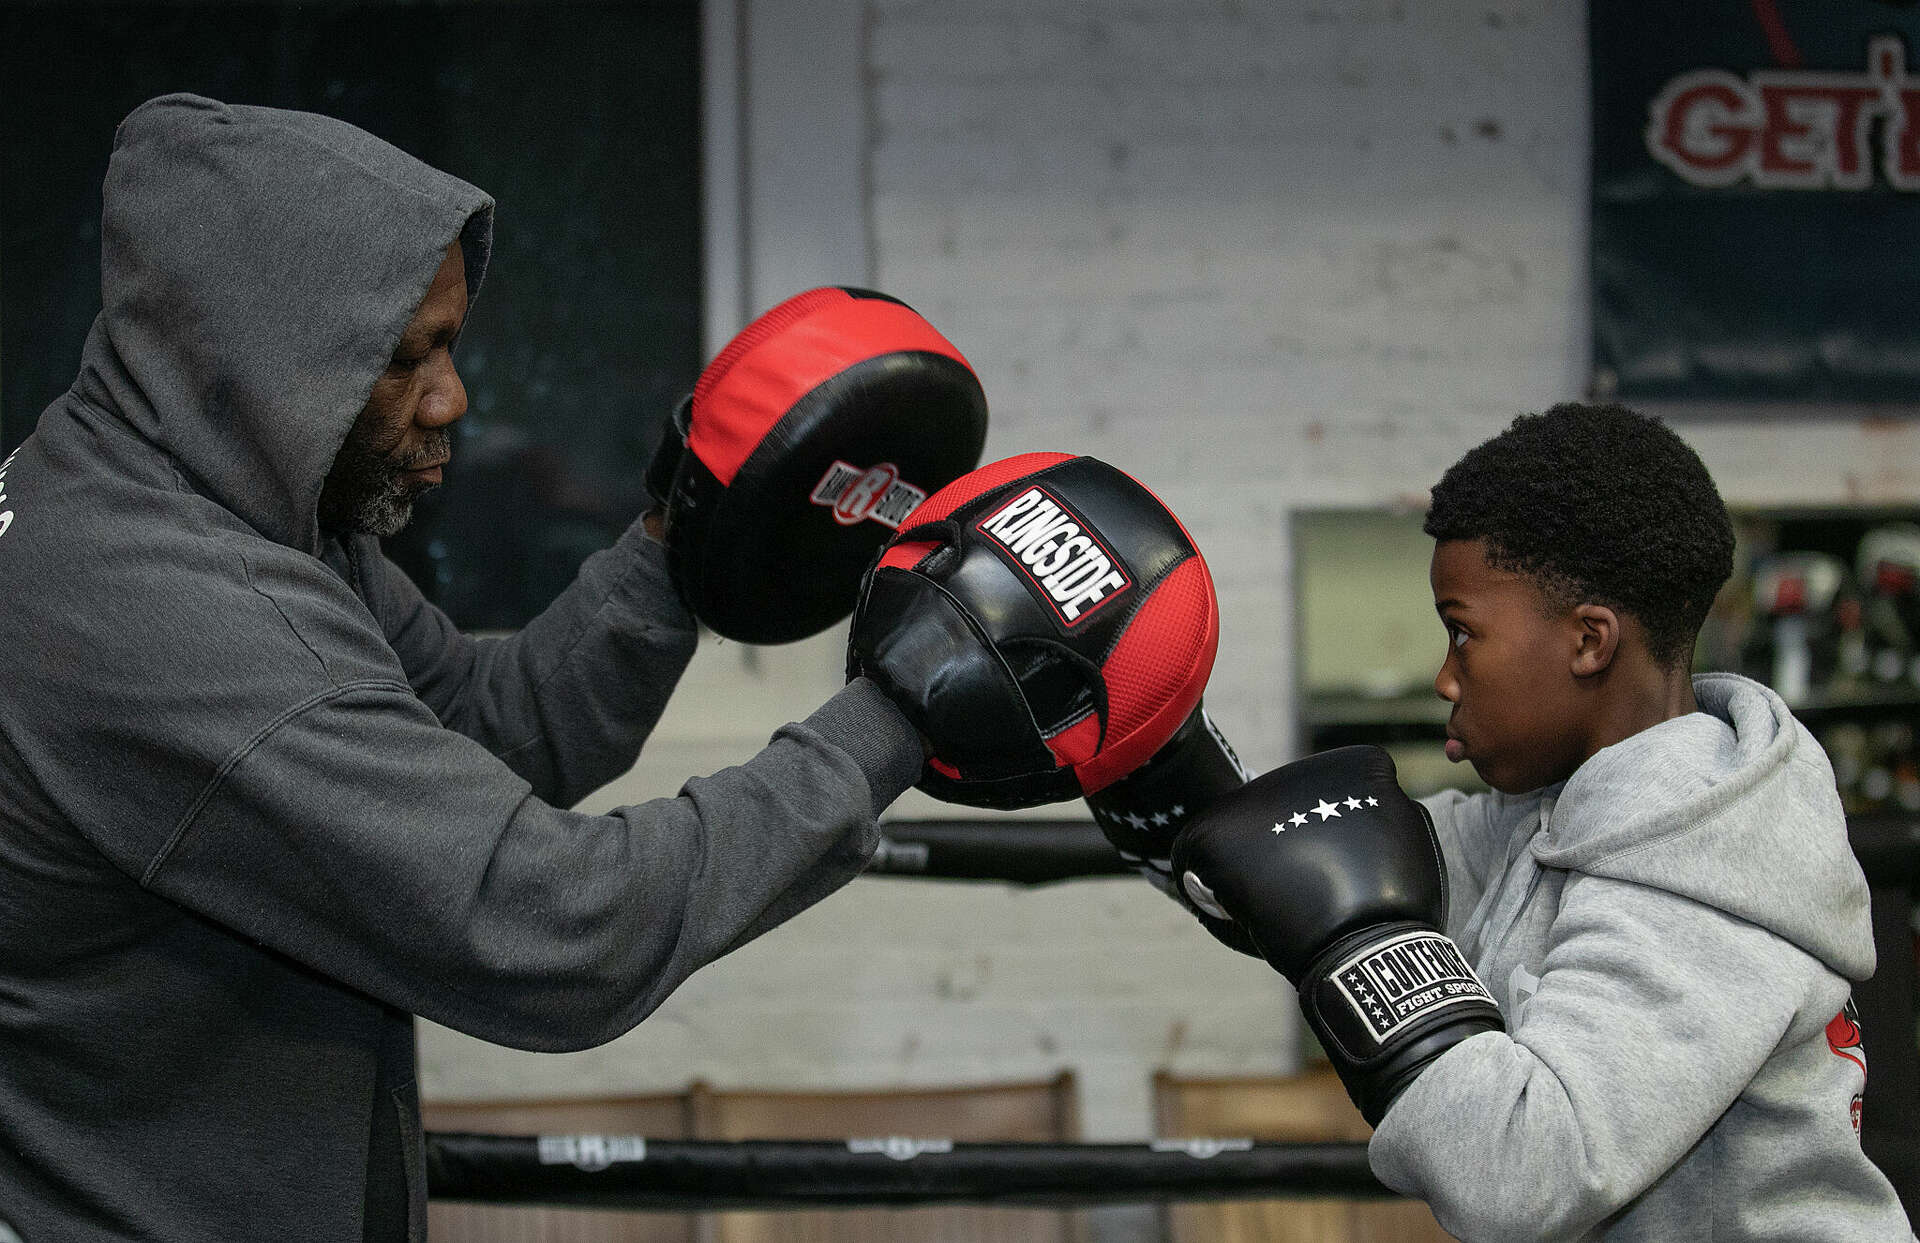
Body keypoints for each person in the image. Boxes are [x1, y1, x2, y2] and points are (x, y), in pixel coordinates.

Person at [0, 94, 927, 1242]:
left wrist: (673, 543)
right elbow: (552, 925)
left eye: (450, 341)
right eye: (403, 358)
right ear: (254, 358)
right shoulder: (174, 622)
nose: (454, 398)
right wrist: (900, 711)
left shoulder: (193, 495)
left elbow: (494, 727)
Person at [1173, 402, 1915, 1240]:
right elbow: (1294, 862)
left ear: (1589, 640)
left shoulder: (1702, 886)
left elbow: (1517, 1171)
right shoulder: (1555, 817)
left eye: (1463, 633)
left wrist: (1359, 947)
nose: (1445, 675)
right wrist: (1142, 742)